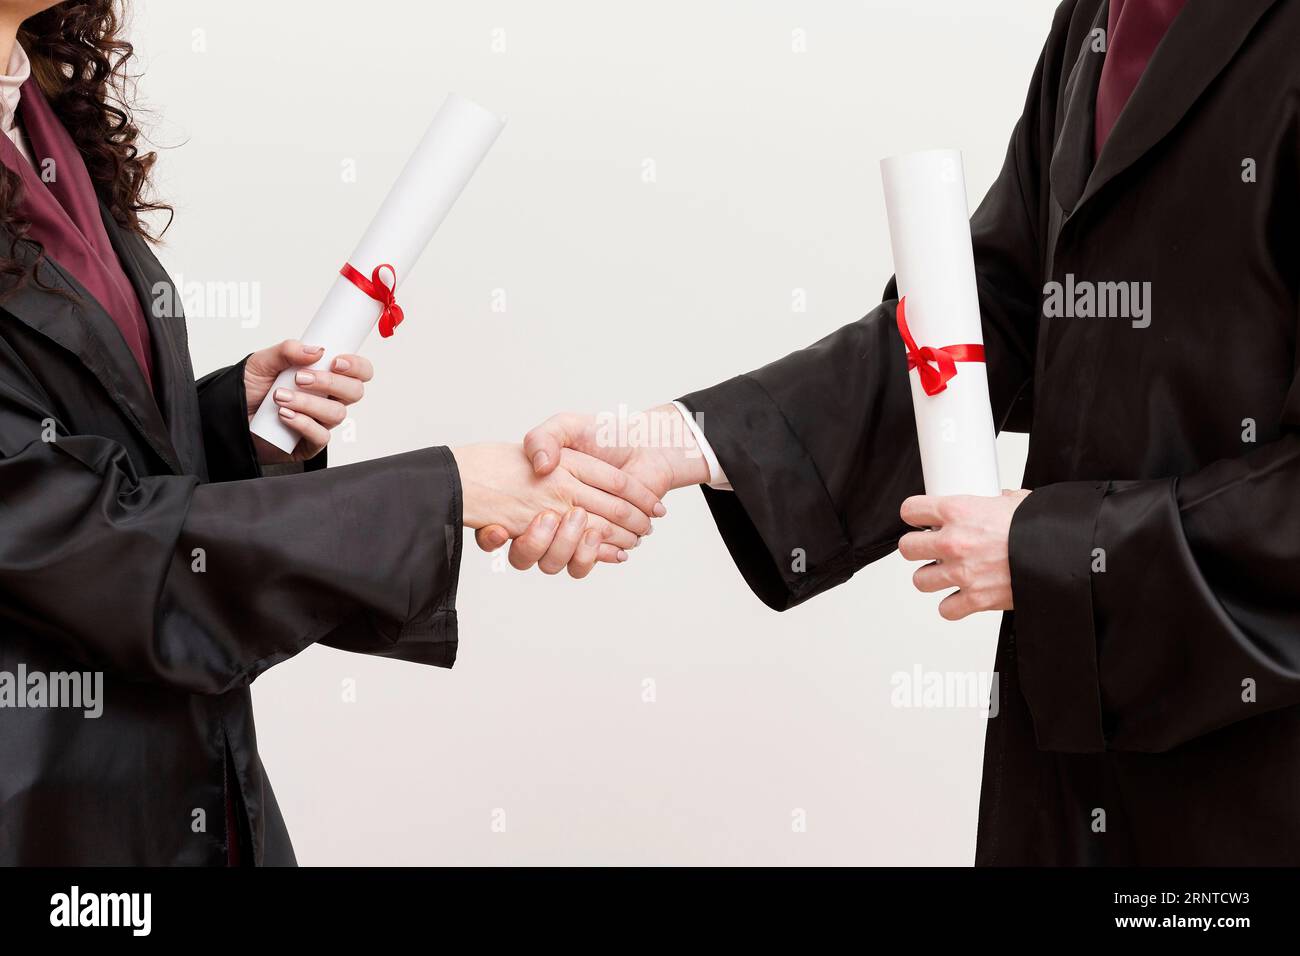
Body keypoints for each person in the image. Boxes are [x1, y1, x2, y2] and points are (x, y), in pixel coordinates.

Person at [491, 0, 1300, 865]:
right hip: (1073, 744)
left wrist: (1059, 550)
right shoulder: (1100, 14)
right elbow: (1000, 305)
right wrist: (694, 438)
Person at [0, 0, 662, 865]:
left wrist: (236, 427)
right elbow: (72, 533)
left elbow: (79, 441)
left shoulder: (41, 117)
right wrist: (446, 488)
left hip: (186, 782)